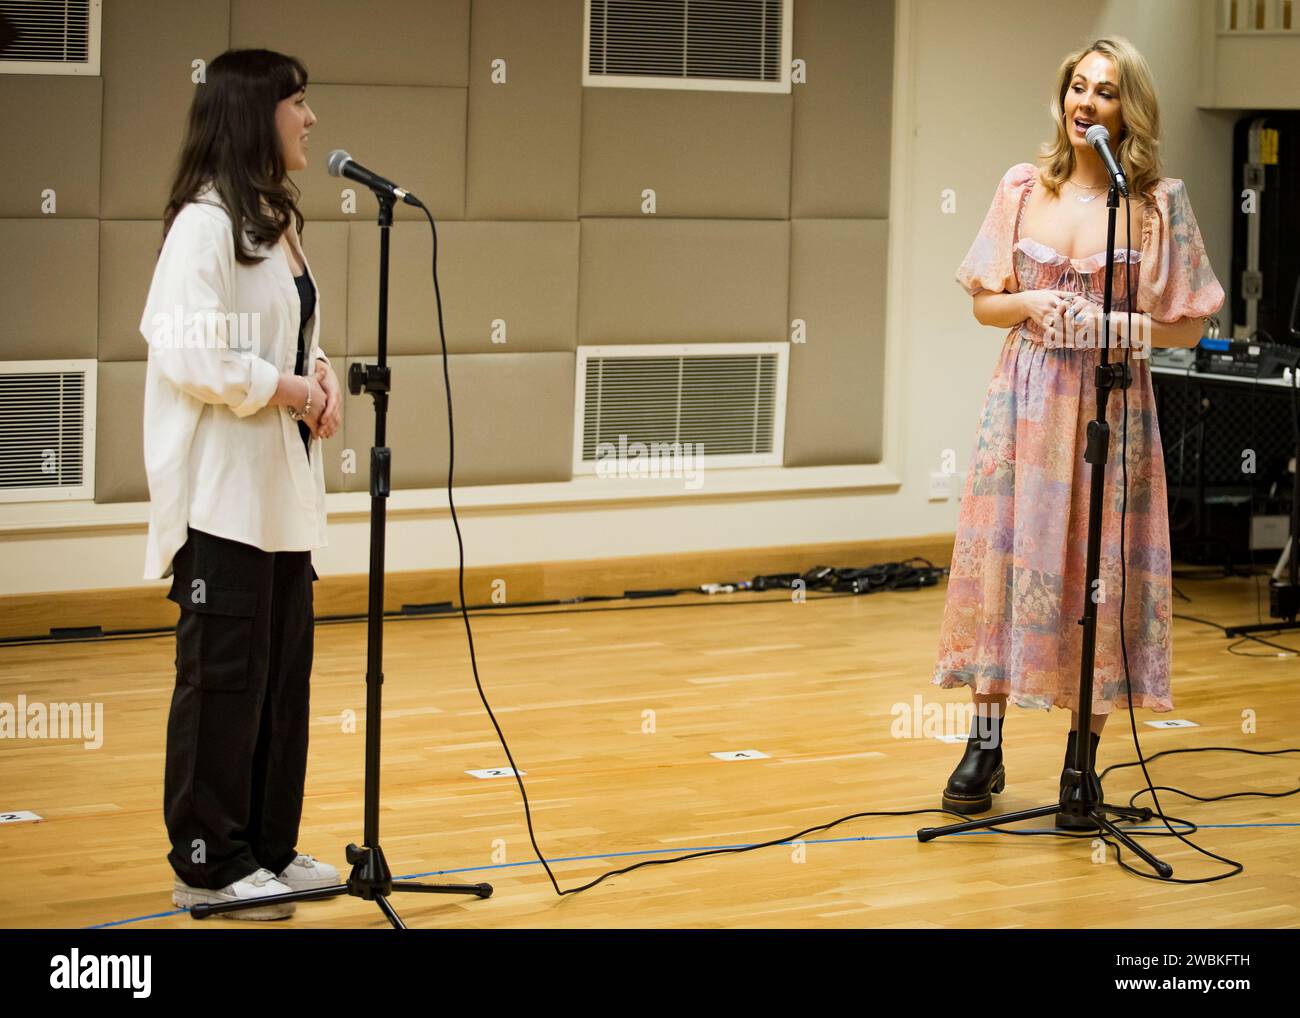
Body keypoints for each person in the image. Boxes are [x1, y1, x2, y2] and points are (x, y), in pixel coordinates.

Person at [932, 37, 1225, 827]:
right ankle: (984, 744)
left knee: (1103, 571)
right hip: (1024, 399)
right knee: (1007, 560)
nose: (1084, 104)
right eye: (1077, 88)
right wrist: (1031, 306)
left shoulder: (1157, 202)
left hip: (1110, 403)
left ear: (1129, 110)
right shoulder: (1023, 188)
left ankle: (1079, 764)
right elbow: (984, 301)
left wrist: (1115, 326)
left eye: (1104, 92)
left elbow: (1190, 328)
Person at [139, 49, 345, 919]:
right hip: (223, 504)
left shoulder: (275, 219)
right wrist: (286, 389)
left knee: (279, 680)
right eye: (298, 103)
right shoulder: (204, 224)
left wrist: (322, 376)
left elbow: (293, 331)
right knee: (221, 684)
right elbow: (191, 352)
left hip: (281, 502)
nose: (309, 119)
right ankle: (207, 860)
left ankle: (265, 846)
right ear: (256, 112)